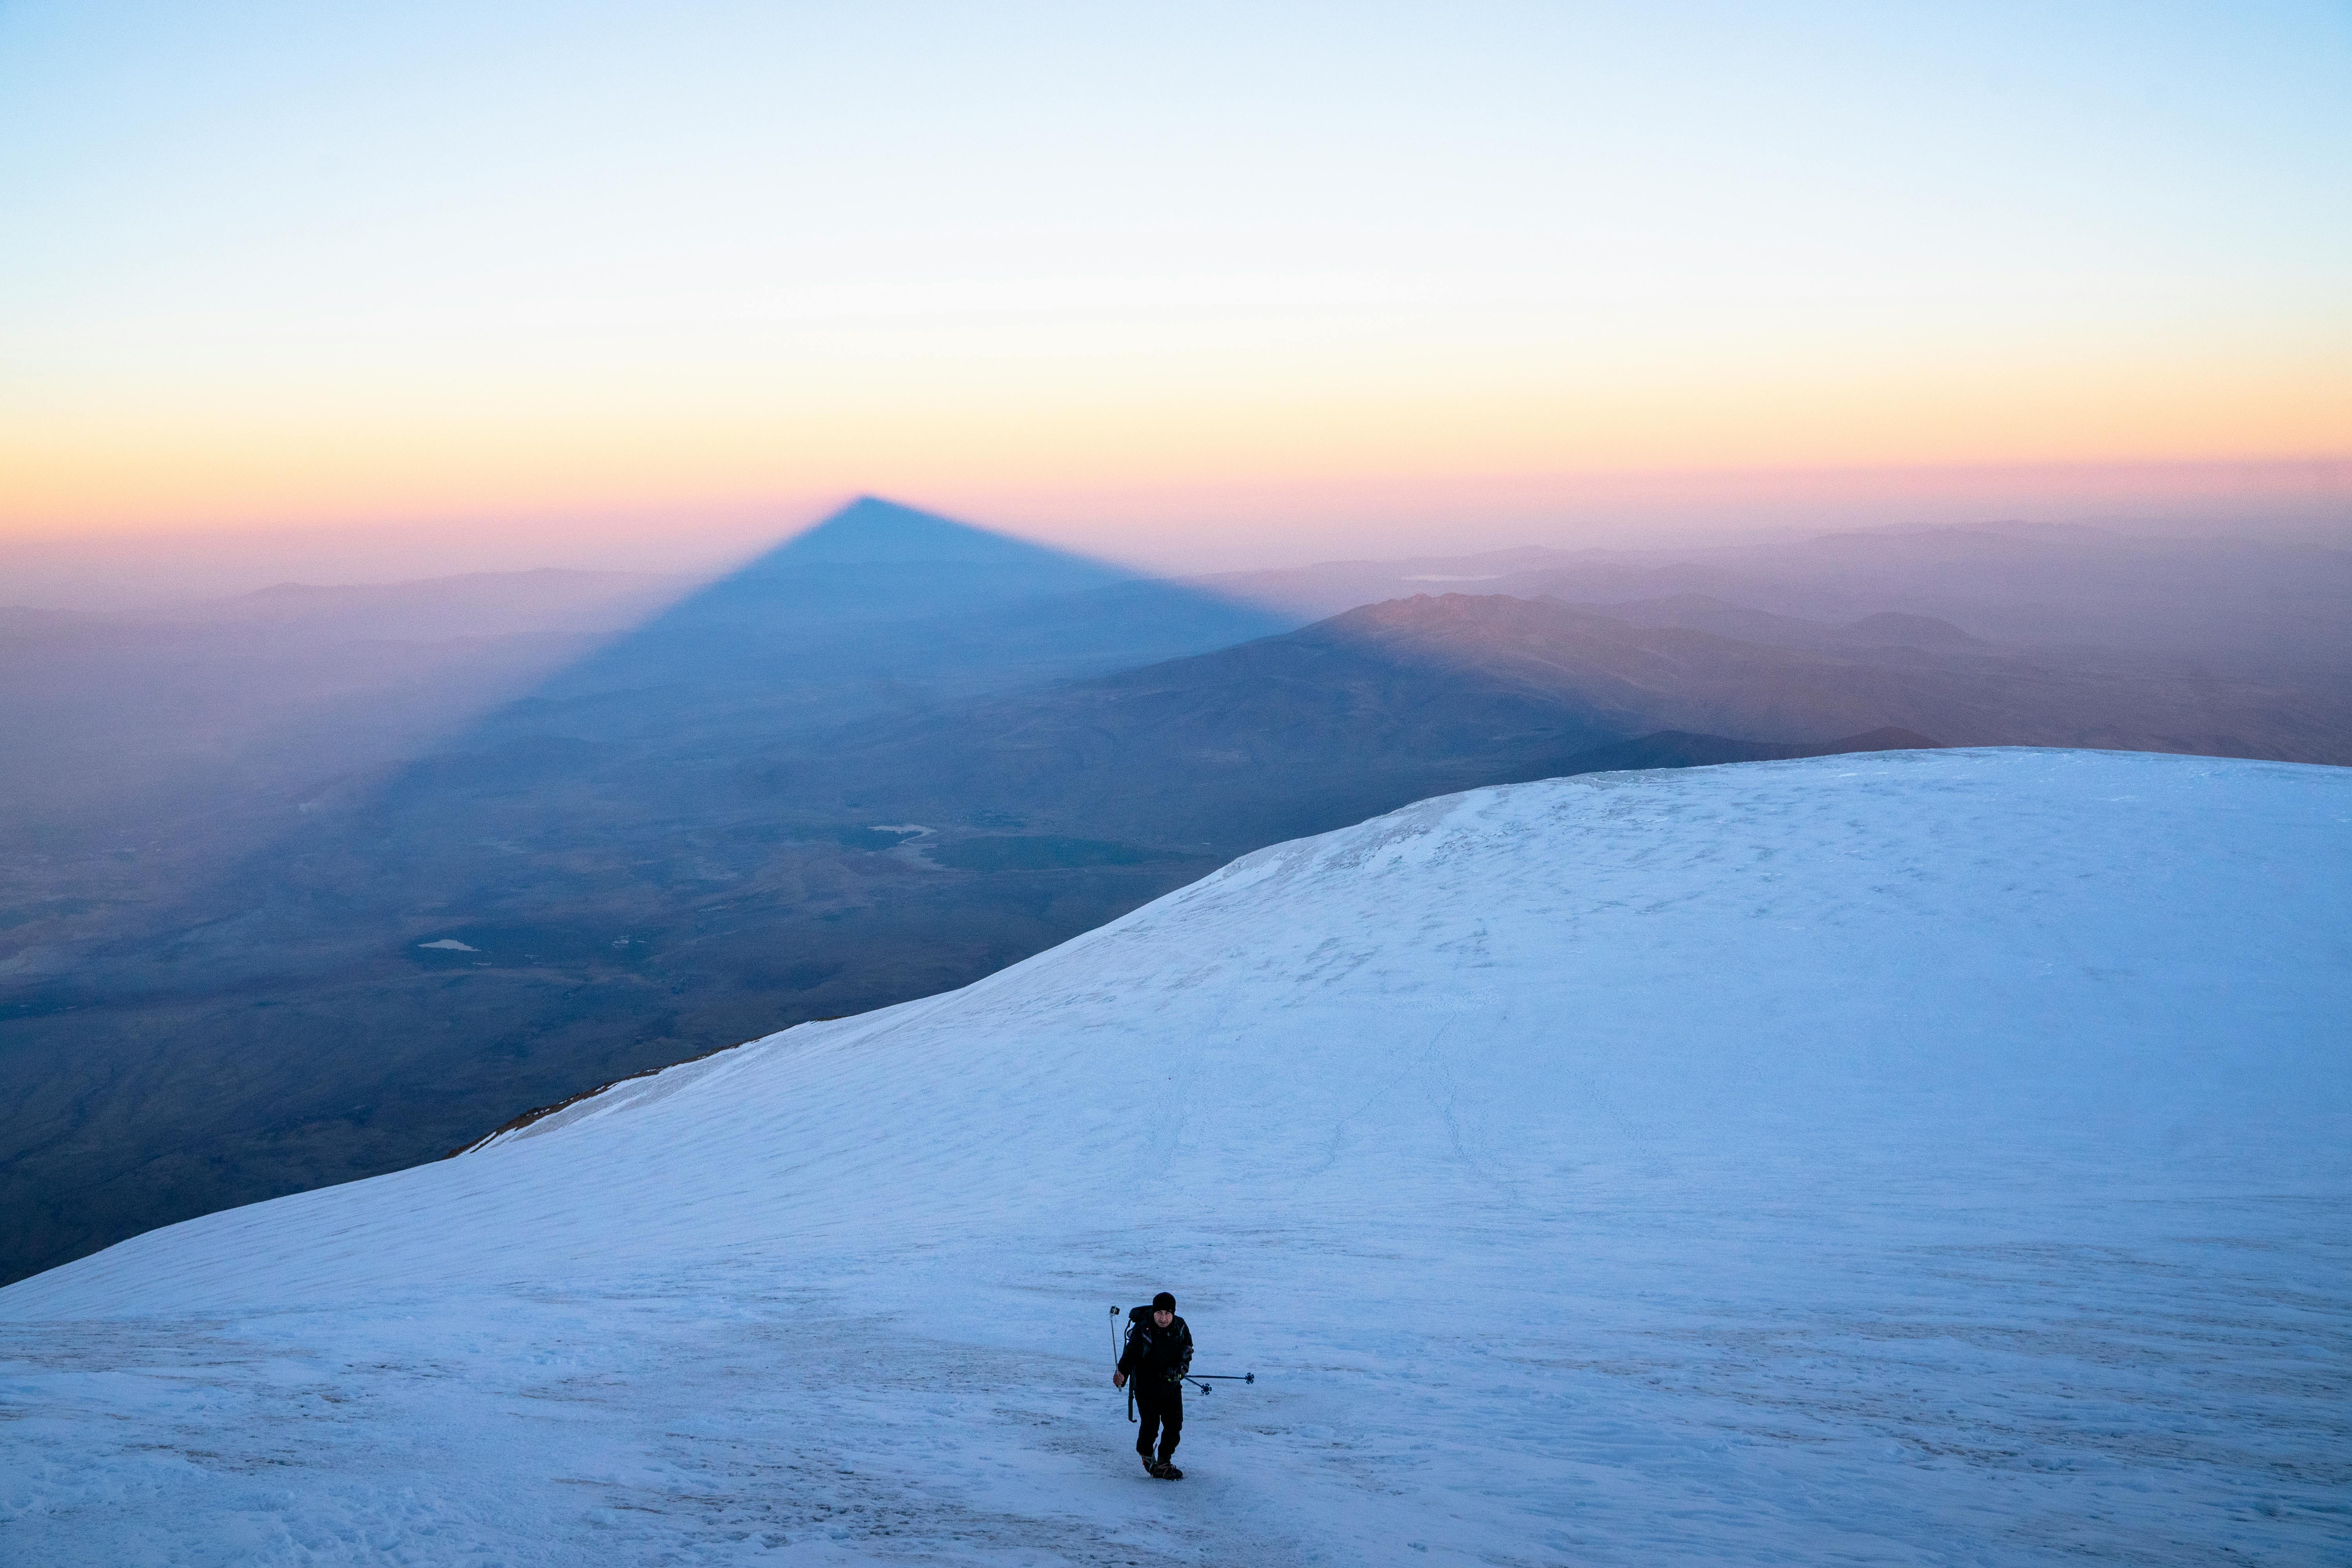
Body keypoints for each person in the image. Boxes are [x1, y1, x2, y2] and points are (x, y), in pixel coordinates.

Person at [1113, 1290, 1193, 1478]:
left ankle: (1165, 1461)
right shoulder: (1143, 1330)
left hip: (1172, 1387)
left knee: (1175, 1425)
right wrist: (1121, 1375)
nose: (1164, 1318)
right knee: (1151, 1426)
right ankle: (1147, 1454)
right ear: (1154, 1313)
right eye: (1159, 1314)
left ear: (1173, 1314)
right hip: (1146, 1388)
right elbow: (1129, 1356)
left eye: (1168, 1314)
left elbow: (1187, 1351)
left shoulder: (1180, 1327)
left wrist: (1181, 1370)